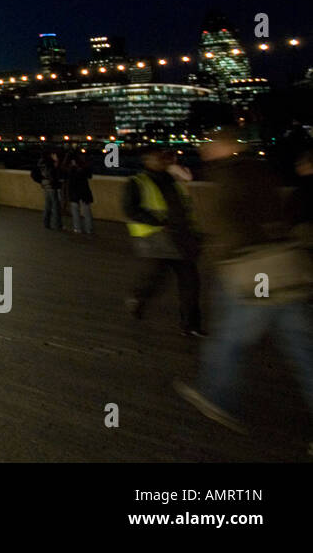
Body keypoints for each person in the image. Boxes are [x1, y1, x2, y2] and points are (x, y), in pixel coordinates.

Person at [174, 128, 313, 442]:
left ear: (222, 148)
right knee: (303, 349)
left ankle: (217, 397)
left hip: (251, 271)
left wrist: (213, 260)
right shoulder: (261, 170)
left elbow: (224, 225)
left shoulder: (227, 176)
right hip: (284, 268)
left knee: (229, 342)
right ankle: (215, 395)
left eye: (208, 147)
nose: (204, 151)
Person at [123, 147, 203, 336]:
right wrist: (158, 221)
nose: (164, 160)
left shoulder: (175, 181)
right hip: (155, 241)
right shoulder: (136, 182)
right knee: (155, 279)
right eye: (159, 157)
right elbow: (130, 210)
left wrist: (194, 233)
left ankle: (190, 325)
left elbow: (185, 209)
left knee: (191, 282)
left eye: (166, 157)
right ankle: (138, 299)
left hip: (180, 238)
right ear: (147, 160)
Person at [65, 151, 95, 235]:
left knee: (75, 211)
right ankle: (89, 229)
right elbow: (89, 175)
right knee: (86, 211)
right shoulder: (83, 166)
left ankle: (77, 228)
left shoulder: (68, 168)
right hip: (83, 191)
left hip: (74, 191)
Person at [37, 150, 63, 231]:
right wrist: (56, 161)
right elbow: (54, 172)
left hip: (45, 185)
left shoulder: (41, 162)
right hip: (51, 185)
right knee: (55, 205)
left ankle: (46, 223)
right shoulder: (49, 163)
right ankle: (57, 225)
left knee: (47, 205)